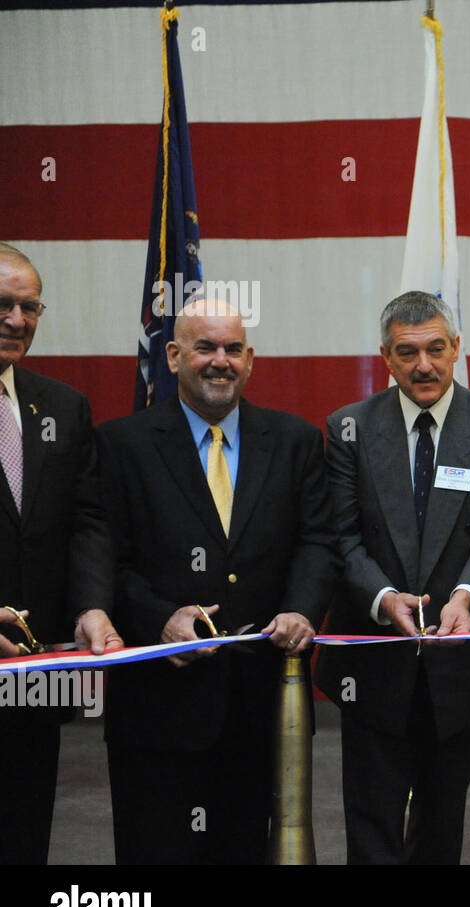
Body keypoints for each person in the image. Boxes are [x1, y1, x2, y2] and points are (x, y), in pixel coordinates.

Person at [96, 296, 338, 865]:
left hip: (262, 709)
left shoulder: (296, 441)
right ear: (175, 355)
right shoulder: (121, 445)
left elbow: (318, 543)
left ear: (251, 359)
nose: (220, 361)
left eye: (233, 349)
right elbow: (106, 560)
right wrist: (159, 617)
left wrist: (303, 608)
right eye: (205, 347)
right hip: (158, 710)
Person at [315, 290, 470, 865]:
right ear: (385, 357)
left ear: (457, 348)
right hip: (372, 654)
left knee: (442, 816)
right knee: (370, 813)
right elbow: (341, 539)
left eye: (436, 349)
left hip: (461, 655)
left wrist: (467, 597)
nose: (424, 366)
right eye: (407, 353)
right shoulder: (348, 429)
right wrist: (384, 598)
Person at [0, 244, 118, 864]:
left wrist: (93, 605)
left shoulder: (63, 406)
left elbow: (88, 522)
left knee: (24, 835)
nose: (16, 320)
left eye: (29, 306)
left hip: (33, 674)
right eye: (2, 304)